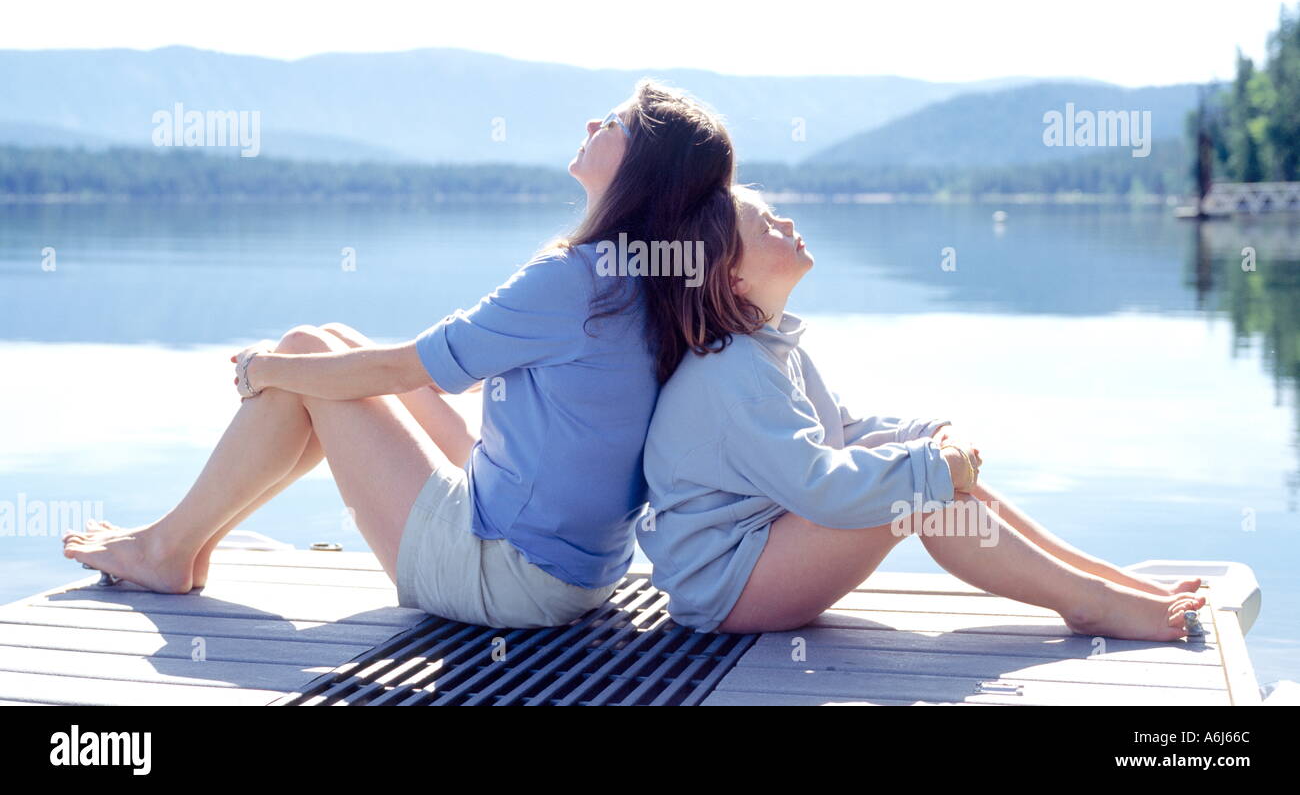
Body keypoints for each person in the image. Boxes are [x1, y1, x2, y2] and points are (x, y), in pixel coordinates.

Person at [62, 78, 754, 629]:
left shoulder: (575, 281)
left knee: (305, 352)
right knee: (334, 342)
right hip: (581, 571)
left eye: (614, 123)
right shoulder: (649, 281)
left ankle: (167, 549)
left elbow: (407, 370)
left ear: (641, 168)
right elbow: (442, 371)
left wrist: (263, 368)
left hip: (508, 577)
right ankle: (184, 543)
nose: (592, 126)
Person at [638, 184, 1208, 641]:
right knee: (922, 495)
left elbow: (845, 432)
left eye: (777, 215)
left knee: (930, 476)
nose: (785, 224)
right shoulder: (734, 371)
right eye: (765, 226)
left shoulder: (768, 349)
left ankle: (1111, 583)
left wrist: (930, 435)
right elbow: (819, 486)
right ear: (733, 278)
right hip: (726, 589)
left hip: (756, 561)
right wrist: (932, 469)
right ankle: (1090, 604)